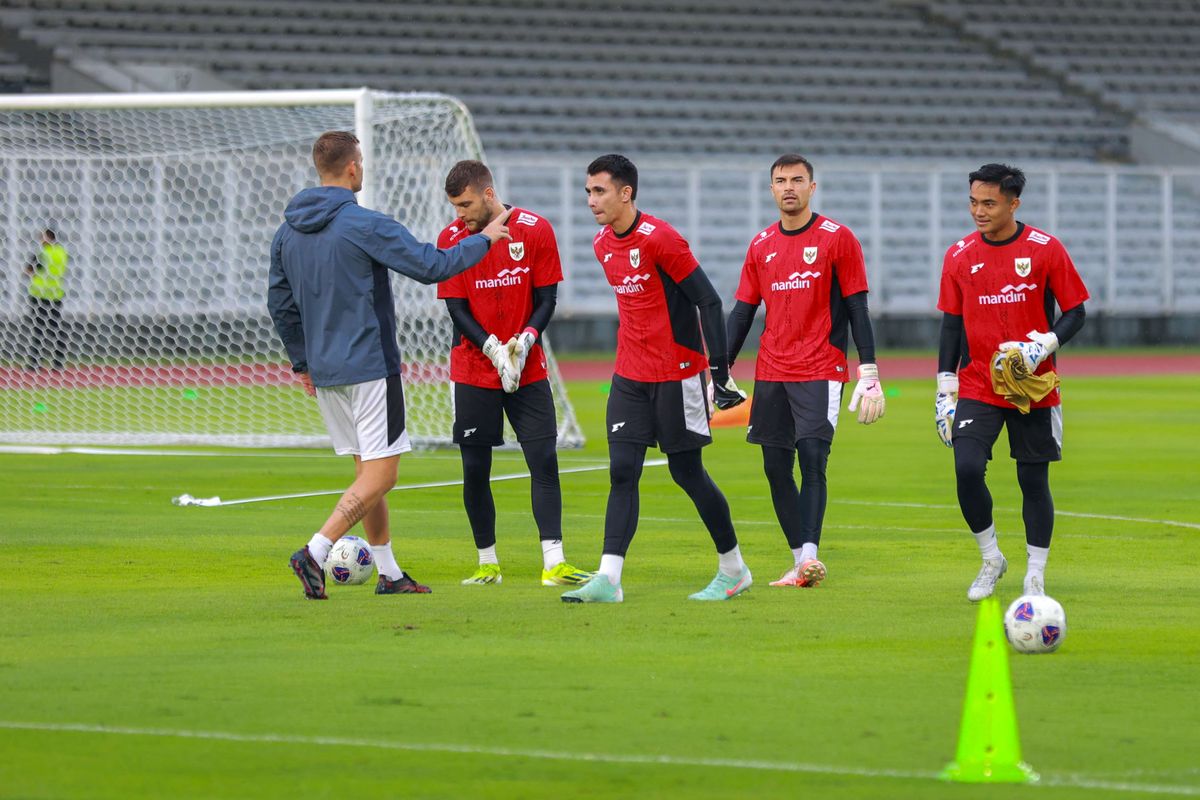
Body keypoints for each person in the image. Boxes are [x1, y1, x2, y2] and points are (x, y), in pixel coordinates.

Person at [268, 131, 513, 600]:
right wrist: (484, 240)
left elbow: (279, 303)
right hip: (369, 365)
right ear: (354, 168)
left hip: (325, 372)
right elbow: (430, 266)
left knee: (366, 472)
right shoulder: (364, 224)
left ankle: (389, 572)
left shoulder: (287, 231)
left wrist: (302, 363)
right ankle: (316, 550)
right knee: (384, 474)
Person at [561, 153, 751, 604]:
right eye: (588, 191)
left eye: (599, 190)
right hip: (628, 375)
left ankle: (734, 569)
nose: (591, 200)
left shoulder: (662, 239)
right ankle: (609, 578)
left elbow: (708, 301)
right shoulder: (601, 244)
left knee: (688, 474)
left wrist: (719, 373)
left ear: (626, 193)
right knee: (622, 471)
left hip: (677, 375)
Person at [726, 154, 886, 590]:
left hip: (820, 367)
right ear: (772, 189)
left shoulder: (838, 239)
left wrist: (868, 368)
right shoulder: (760, 244)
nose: (789, 187)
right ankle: (800, 563)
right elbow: (743, 311)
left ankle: (811, 553)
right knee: (776, 467)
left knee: (813, 458)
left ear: (812, 187)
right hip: (772, 369)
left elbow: (857, 307)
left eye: (798, 180)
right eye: (781, 181)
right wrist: (718, 368)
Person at [936, 163, 1089, 601]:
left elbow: (1076, 310)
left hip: (1032, 386)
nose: (978, 211)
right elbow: (951, 324)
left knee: (1033, 480)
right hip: (979, 384)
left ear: (1013, 203)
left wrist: (1046, 344)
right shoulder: (959, 255)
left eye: (989, 203)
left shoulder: (1045, 249)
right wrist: (945, 389)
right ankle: (991, 558)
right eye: (973, 202)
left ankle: (1035, 575)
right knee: (966, 469)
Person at [436, 159, 592, 587]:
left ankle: (554, 563)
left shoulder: (535, 229)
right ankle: (487, 563)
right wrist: (490, 347)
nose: (459, 214)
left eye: (465, 203)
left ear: (488, 194)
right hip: (473, 368)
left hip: (528, 367)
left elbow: (547, 299)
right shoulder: (451, 238)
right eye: (454, 205)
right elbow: (455, 306)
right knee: (475, 467)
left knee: (543, 459)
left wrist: (524, 341)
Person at [25, 228, 69, 370]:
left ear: (49, 238)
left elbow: (29, 271)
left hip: (39, 295)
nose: (40, 239)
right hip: (56, 295)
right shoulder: (62, 252)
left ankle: (34, 363)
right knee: (55, 329)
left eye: (42, 236)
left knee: (39, 330)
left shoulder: (42, 253)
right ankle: (58, 363)